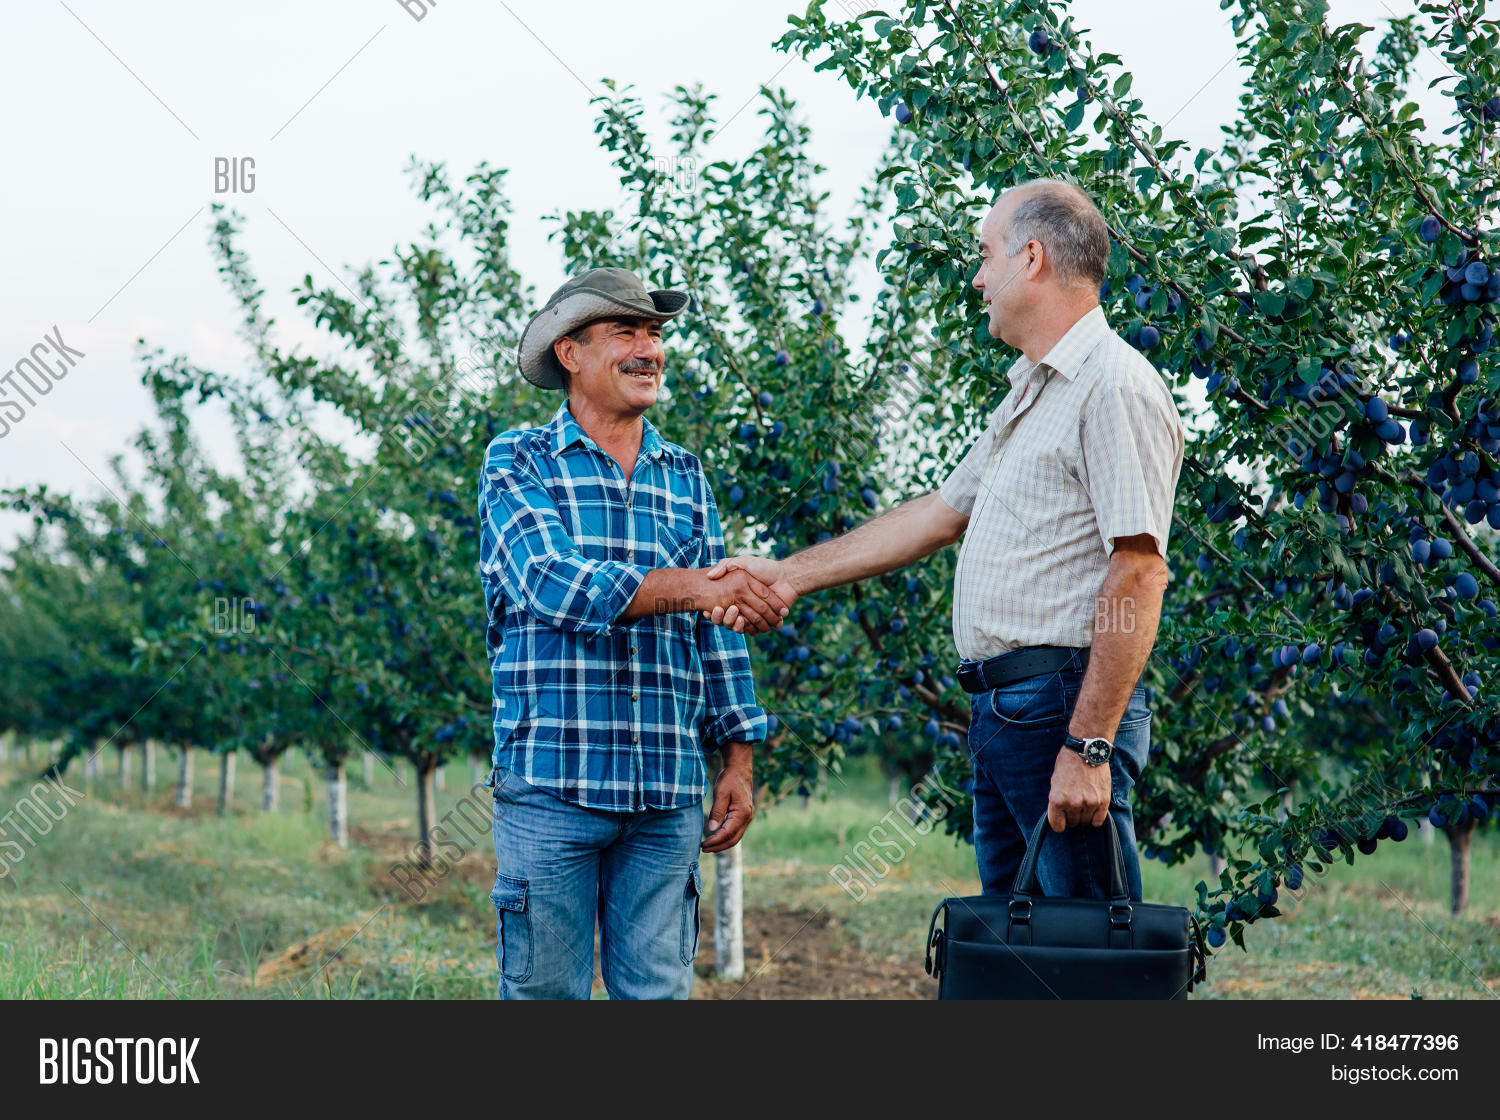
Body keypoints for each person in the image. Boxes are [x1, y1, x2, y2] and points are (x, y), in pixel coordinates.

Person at [704, 180, 1185, 901]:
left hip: (1061, 704)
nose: (978, 278)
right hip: (1008, 712)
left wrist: (1088, 746)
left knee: (1085, 948)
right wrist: (788, 574)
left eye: (985, 256)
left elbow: (1139, 572)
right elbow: (937, 513)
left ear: (1032, 258)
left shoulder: (1113, 386)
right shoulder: (1034, 391)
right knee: (1019, 945)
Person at [477, 267, 789, 998]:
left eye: (654, 332)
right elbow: (550, 583)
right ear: (570, 352)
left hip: (666, 789)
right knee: (544, 996)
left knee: (657, 996)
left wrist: (738, 759)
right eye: (626, 331)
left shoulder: (685, 475)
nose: (650, 348)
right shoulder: (517, 460)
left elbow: (719, 635)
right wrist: (699, 585)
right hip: (554, 781)